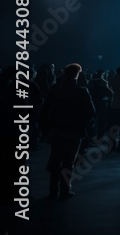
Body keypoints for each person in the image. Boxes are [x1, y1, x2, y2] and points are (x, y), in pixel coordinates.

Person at [40, 64, 95, 199]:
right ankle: (65, 189)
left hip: (57, 130)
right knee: (68, 161)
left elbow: (45, 112)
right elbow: (91, 112)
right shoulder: (82, 91)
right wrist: (82, 124)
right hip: (74, 132)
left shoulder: (55, 90)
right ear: (77, 74)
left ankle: (53, 190)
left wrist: (46, 130)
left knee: (55, 160)